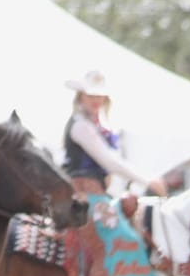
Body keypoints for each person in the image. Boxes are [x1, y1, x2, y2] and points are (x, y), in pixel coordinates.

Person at [62, 69, 168, 199]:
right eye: (90, 95)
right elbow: (109, 161)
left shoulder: (96, 125)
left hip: (98, 190)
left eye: (99, 96)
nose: (95, 100)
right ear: (80, 96)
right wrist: (147, 181)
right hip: (83, 193)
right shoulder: (80, 126)